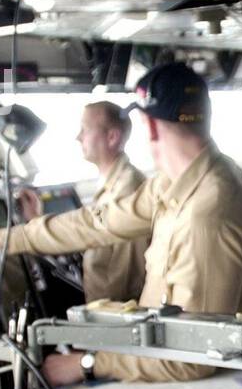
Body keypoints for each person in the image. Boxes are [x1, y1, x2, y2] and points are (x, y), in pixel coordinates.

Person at [0, 62, 242, 385]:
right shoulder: (182, 180)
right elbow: (96, 224)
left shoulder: (205, 215)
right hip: (169, 355)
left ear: (150, 126)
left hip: (209, 381)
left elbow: (194, 356)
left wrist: (86, 364)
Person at [20, 100, 149, 303]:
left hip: (114, 316)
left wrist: (107, 324)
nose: (78, 137)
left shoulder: (127, 190)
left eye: (85, 130)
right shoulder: (114, 183)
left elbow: (125, 275)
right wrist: (37, 220)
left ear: (112, 137)